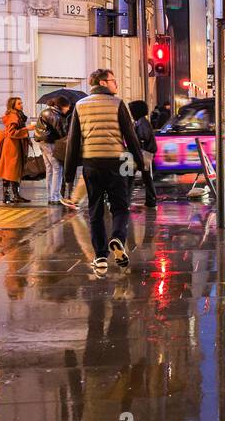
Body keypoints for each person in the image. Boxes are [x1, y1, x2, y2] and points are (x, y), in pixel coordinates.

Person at [63, 69, 144, 278]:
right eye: (113, 80)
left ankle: (100, 256)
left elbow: (73, 143)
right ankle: (117, 237)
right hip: (116, 162)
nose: (116, 84)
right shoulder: (118, 104)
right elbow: (130, 136)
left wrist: (68, 178)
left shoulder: (80, 106)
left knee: (95, 210)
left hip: (91, 163)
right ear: (103, 82)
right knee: (120, 207)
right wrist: (140, 163)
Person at [35, 98, 72, 203]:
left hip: (42, 142)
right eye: (68, 107)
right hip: (49, 142)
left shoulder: (47, 111)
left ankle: (51, 196)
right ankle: (55, 197)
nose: (68, 109)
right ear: (62, 106)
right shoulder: (53, 114)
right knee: (57, 168)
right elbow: (60, 131)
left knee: (50, 169)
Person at [0, 96, 31, 203]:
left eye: (21, 103)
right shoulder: (13, 116)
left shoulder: (17, 115)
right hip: (12, 146)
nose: (21, 105)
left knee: (12, 170)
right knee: (11, 170)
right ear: (13, 105)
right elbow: (12, 133)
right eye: (19, 103)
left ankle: (12, 196)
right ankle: (11, 196)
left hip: (14, 145)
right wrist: (27, 129)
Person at [128, 100, 158, 207]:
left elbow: (142, 138)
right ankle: (151, 200)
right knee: (145, 177)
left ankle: (126, 200)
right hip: (145, 153)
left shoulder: (141, 123)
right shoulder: (142, 122)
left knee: (129, 176)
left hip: (143, 154)